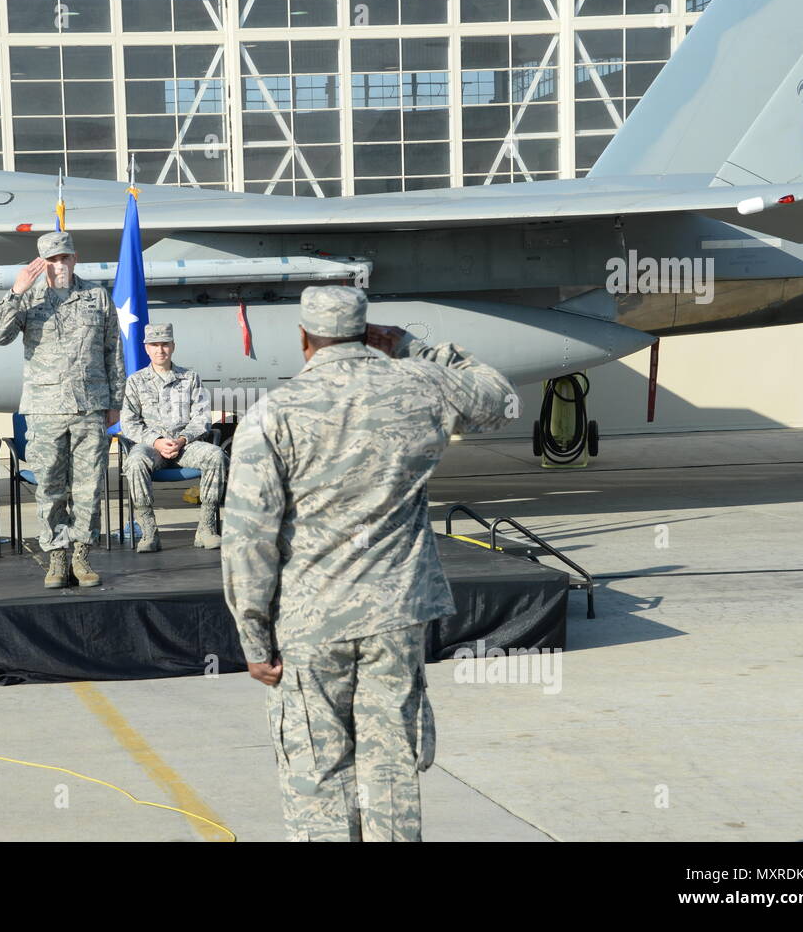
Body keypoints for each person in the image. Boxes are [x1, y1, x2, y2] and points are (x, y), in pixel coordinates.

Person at [221, 285, 519, 842]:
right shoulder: (417, 386)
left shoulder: (273, 413)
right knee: (390, 767)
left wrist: (254, 638)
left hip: (310, 622)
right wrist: (417, 349)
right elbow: (499, 398)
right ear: (369, 332)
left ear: (304, 339)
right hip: (396, 613)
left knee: (318, 767)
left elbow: (247, 538)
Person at [0, 230, 125, 589]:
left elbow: (114, 352)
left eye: (64, 258)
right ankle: (56, 557)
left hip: (90, 408)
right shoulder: (28, 298)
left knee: (89, 486)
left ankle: (81, 554)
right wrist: (16, 291)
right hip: (45, 410)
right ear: (41, 263)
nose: (59, 265)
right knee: (49, 485)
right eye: (52, 259)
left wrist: (115, 403)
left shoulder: (96, 296)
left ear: (75, 259)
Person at [120, 321, 226, 552]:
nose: (160, 350)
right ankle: (149, 533)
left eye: (165, 344)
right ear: (146, 348)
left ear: (173, 346)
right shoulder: (136, 381)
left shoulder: (190, 378)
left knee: (216, 455)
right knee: (135, 462)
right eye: (155, 345)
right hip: (151, 447)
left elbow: (202, 418)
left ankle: (206, 529)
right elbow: (129, 423)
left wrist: (182, 440)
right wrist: (156, 441)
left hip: (185, 446)